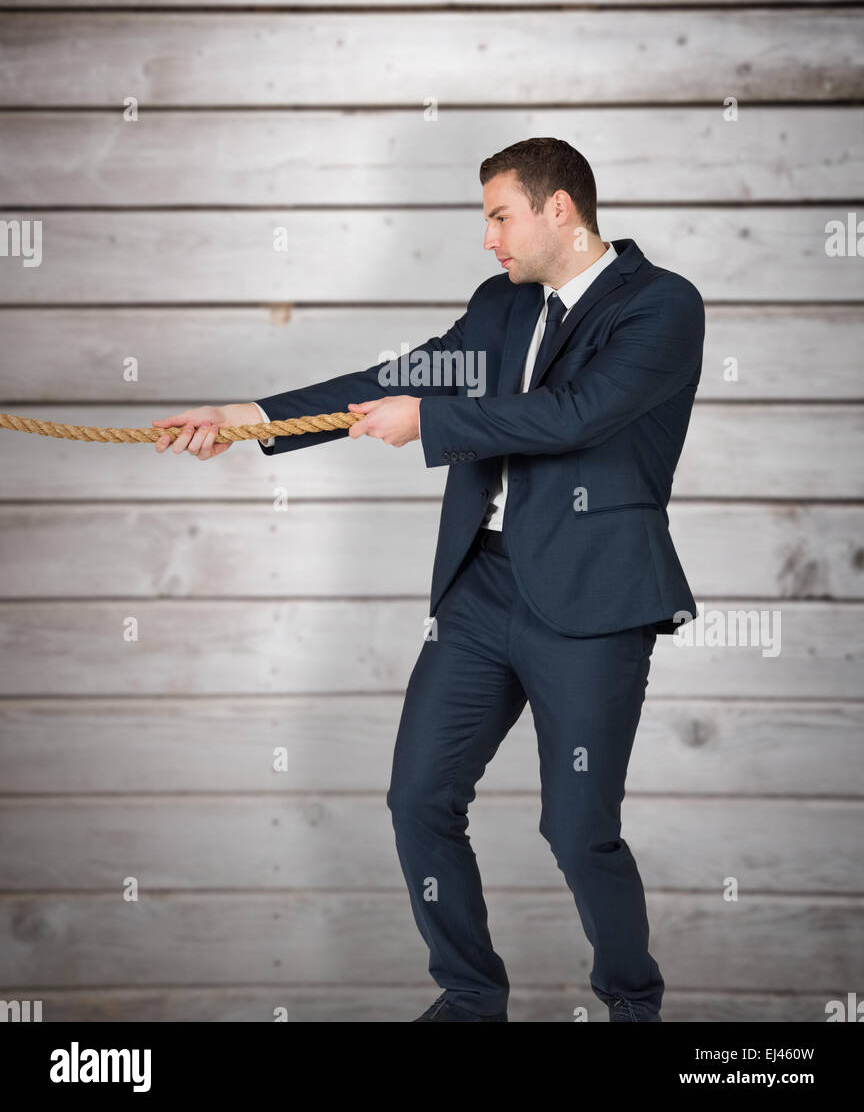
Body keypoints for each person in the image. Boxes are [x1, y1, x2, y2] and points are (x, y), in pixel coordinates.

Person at [153, 137, 705, 1023]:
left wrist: (435, 422)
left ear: (559, 209)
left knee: (576, 832)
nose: (489, 239)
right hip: (482, 593)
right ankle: (471, 998)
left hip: (594, 606)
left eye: (500, 216)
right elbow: (402, 380)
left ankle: (634, 1008)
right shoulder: (499, 307)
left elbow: (577, 413)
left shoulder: (662, 306)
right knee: (417, 798)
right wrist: (246, 417)